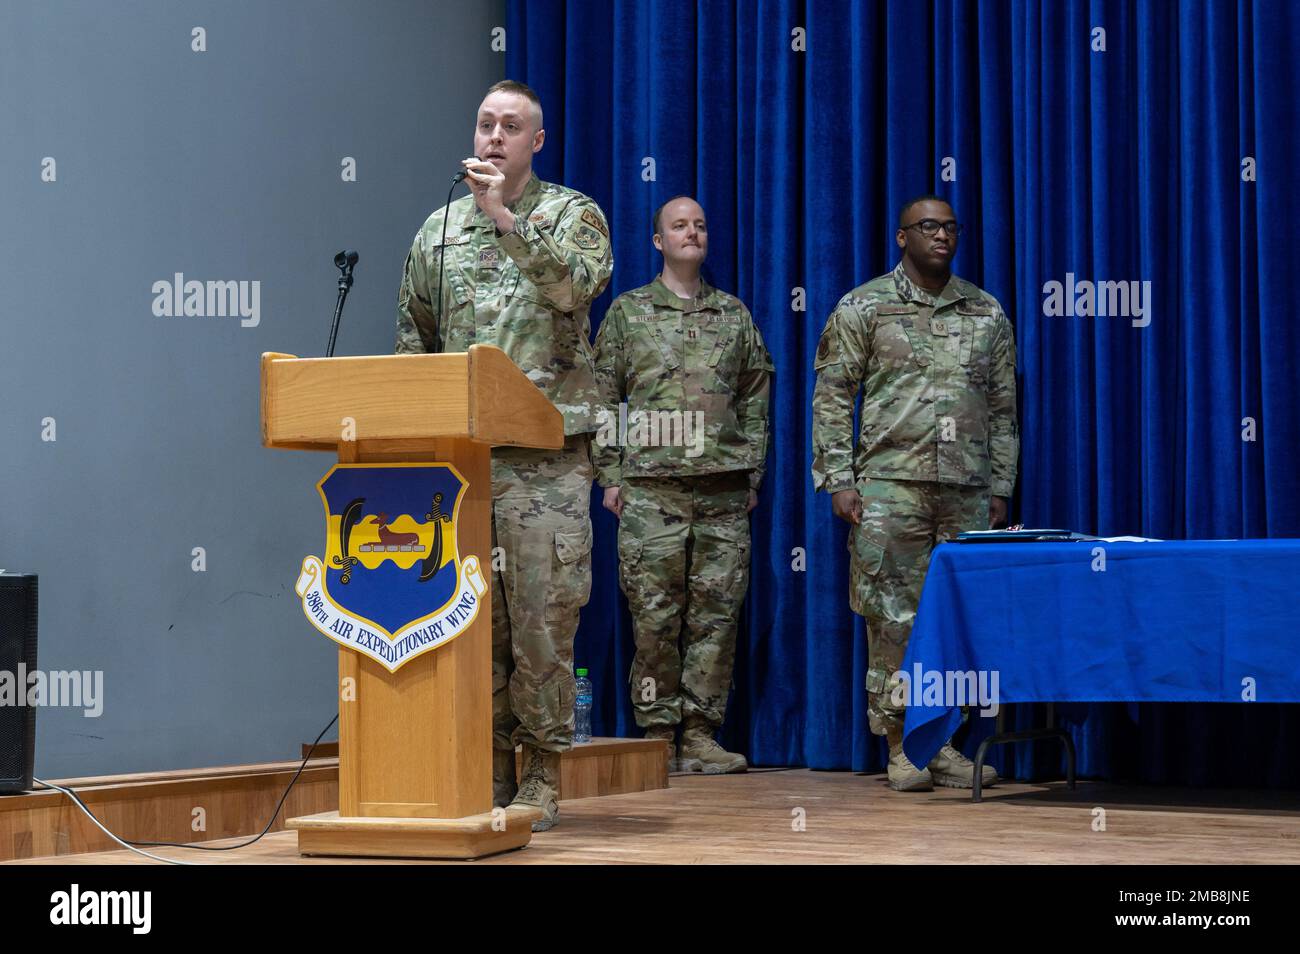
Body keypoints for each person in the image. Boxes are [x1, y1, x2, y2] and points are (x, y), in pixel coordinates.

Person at [395, 80, 612, 830]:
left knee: (544, 620)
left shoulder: (574, 214)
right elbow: (414, 339)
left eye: (509, 126)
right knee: (472, 622)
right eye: (484, 123)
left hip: (546, 459)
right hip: (463, 463)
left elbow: (575, 288)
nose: (492, 137)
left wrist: (505, 219)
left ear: (535, 143)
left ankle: (544, 773)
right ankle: (483, 767)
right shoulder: (438, 230)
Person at [810, 195, 1018, 791]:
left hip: (967, 490)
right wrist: (841, 479)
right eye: (928, 226)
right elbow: (831, 398)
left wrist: (999, 482)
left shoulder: (985, 312)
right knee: (893, 621)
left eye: (951, 227)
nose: (942, 236)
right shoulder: (865, 306)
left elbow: (1003, 407)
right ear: (902, 236)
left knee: (956, 622)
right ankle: (902, 744)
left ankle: (943, 741)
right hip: (891, 487)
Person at [593, 196, 773, 774]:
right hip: (652, 490)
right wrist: (611, 474)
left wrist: (751, 472)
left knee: (716, 617)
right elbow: (602, 396)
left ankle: (700, 733)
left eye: (699, 224)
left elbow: (756, 397)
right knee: (654, 616)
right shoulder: (627, 313)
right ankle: (658, 734)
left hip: (722, 489)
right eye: (679, 225)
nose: (691, 232)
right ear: (658, 241)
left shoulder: (734, 315)